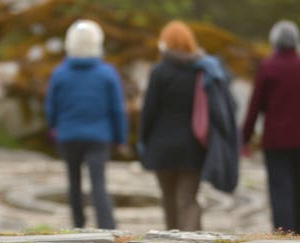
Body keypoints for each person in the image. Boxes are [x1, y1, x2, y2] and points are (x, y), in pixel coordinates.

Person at [45, 19, 128, 230]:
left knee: (74, 183)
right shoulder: (107, 73)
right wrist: (120, 138)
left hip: (68, 135)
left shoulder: (60, 73)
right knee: (98, 184)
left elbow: (51, 106)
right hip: (99, 137)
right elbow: (117, 109)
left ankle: (78, 225)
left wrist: (54, 127)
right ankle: (107, 226)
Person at [241, 20, 300, 235]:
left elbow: (255, 106)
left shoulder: (268, 68)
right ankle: (298, 233)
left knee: (280, 189)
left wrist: (244, 137)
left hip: (277, 140)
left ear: (274, 41)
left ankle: (284, 235)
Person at [139, 21, 208, 232]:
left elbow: (149, 110)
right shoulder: (201, 70)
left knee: (168, 199)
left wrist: (143, 140)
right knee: (187, 200)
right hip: (193, 145)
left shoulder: (159, 71)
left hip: (162, 146)